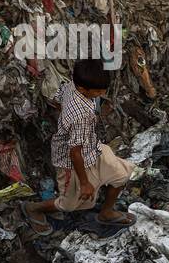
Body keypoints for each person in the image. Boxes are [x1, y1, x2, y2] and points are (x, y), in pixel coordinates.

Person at [22, 58, 135, 232]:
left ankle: (106, 212)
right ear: (83, 88)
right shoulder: (80, 116)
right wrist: (84, 183)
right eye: (98, 91)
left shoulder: (71, 85)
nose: (102, 93)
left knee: (122, 174)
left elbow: (58, 99)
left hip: (92, 148)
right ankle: (33, 208)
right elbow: (75, 153)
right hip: (72, 162)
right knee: (69, 204)